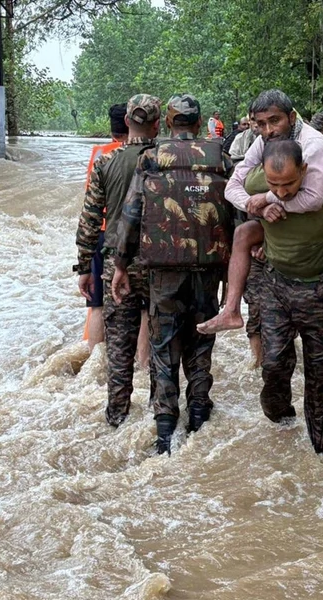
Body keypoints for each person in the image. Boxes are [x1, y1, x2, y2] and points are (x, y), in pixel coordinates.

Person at [200, 89, 323, 404]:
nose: (267, 130)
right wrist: (255, 204)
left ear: (291, 118)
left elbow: (313, 198)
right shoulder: (262, 142)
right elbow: (233, 186)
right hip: (289, 222)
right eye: (259, 123)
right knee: (245, 233)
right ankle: (231, 309)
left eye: (274, 121)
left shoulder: (313, 144)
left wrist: (268, 198)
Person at [110, 94, 235, 454]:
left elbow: (131, 215)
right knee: (202, 342)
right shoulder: (220, 158)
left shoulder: (151, 158)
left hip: (163, 273)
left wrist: (120, 265)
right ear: (198, 124)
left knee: (163, 351)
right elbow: (239, 215)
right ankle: (198, 414)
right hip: (209, 270)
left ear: (168, 123)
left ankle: (165, 431)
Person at [242, 139, 323, 454]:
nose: (283, 192)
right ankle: (282, 427)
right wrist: (259, 211)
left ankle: (318, 450)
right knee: (272, 364)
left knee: (320, 376)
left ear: (304, 170)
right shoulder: (259, 180)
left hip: (317, 287)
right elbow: (238, 190)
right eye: (275, 185)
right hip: (276, 286)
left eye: (289, 183)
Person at [74, 93, 162, 428]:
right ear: (157, 124)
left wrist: (85, 266)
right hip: (158, 266)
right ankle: (161, 417)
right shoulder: (165, 161)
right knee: (160, 342)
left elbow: (89, 218)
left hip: (116, 268)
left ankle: (117, 417)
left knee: (119, 350)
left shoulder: (105, 163)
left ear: (126, 122)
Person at [77, 103, 128, 354]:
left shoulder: (99, 154)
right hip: (131, 236)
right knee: (140, 307)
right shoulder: (144, 153)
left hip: (100, 234)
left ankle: (94, 362)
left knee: (96, 304)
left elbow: (91, 205)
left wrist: (82, 264)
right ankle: (141, 366)